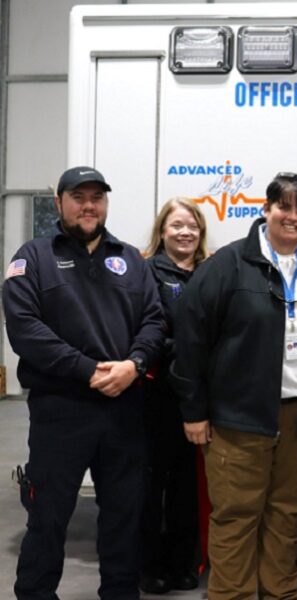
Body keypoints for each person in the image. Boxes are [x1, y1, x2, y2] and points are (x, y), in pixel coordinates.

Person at [3, 166, 164, 600]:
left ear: (106, 203)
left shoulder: (131, 259)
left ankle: (119, 593)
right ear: (59, 203)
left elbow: (154, 321)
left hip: (123, 408)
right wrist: (86, 370)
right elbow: (25, 330)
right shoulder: (33, 257)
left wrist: (134, 363)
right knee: (49, 514)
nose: (88, 205)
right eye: (78, 197)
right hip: (61, 409)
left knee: (123, 515)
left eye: (97, 197)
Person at [171, 173, 297, 599]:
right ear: (266, 209)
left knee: (286, 515)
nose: (293, 217)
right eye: (285, 207)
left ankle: (280, 594)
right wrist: (194, 411)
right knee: (237, 518)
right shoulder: (227, 266)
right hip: (237, 419)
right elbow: (189, 342)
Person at [139, 198, 208, 594]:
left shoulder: (212, 271)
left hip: (200, 398)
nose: (185, 232)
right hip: (158, 396)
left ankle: (184, 562)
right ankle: (150, 565)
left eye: (192, 225)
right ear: (162, 231)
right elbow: (148, 330)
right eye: (176, 225)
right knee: (152, 487)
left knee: (188, 488)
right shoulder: (147, 272)